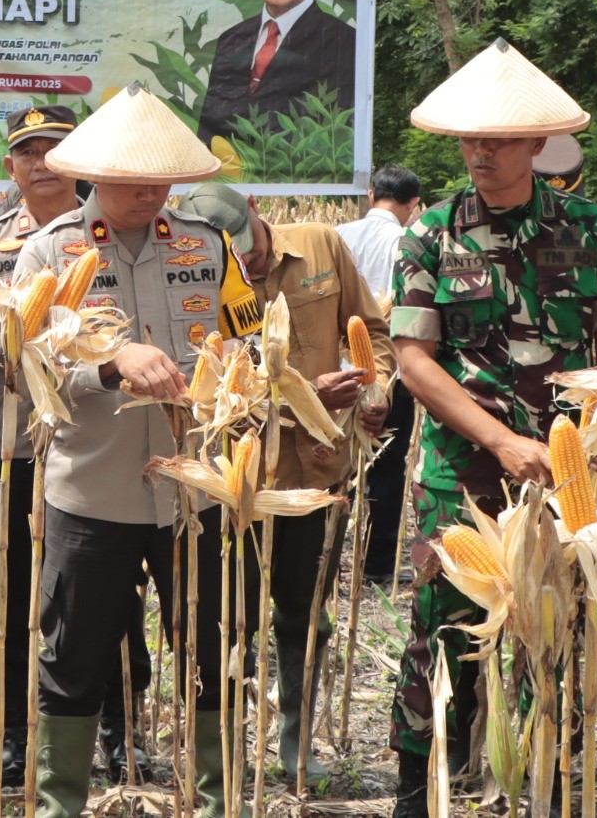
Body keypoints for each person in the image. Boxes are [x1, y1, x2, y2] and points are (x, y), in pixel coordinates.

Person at [384, 40, 597, 814]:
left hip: (566, 473)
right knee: (444, 622)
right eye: (469, 139)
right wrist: (497, 439)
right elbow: (414, 360)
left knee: (558, 622)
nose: (480, 152)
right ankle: (419, 786)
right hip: (460, 470)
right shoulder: (430, 234)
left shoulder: (592, 232)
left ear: (537, 144)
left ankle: (546, 781)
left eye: (496, 138)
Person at [13, 84, 254, 818]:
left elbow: (246, 344)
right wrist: (112, 365)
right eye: (133, 176)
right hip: (93, 492)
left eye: (162, 177)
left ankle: (217, 802)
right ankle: (61, 803)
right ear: (96, 171)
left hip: (197, 491)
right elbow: (25, 368)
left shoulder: (209, 245)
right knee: (73, 658)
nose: (150, 190)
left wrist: (241, 388)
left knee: (214, 654)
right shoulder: (49, 252)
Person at [0, 104, 141, 785]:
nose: (40, 161)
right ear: (11, 165)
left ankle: (120, 732)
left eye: (54, 149)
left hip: (96, 448)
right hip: (12, 446)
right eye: (26, 151)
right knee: (9, 595)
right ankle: (14, 733)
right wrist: (24, 340)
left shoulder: (114, 231)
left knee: (109, 597)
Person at [186, 182, 388, 783]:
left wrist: (374, 389)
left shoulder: (322, 247)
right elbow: (210, 388)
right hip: (238, 480)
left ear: (254, 208)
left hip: (320, 472)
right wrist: (301, 398)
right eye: (228, 256)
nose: (241, 263)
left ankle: (296, 743)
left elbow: (372, 331)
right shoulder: (197, 271)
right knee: (232, 617)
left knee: (306, 614)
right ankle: (224, 750)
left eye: (244, 249)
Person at [197, 0, 358, 145]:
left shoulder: (342, 40)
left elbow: (337, 129)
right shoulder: (232, 40)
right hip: (230, 177)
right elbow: (209, 127)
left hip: (302, 176)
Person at [339, 163, 424, 584]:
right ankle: (375, 565)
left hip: (338, 371)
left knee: (336, 462)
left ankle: (328, 556)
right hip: (389, 373)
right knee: (387, 466)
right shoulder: (408, 241)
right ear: (413, 205)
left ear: (372, 195)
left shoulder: (339, 235)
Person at [339, 164, 423, 299]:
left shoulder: (337, 233)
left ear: (371, 195)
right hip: (382, 318)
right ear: (413, 203)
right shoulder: (404, 239)